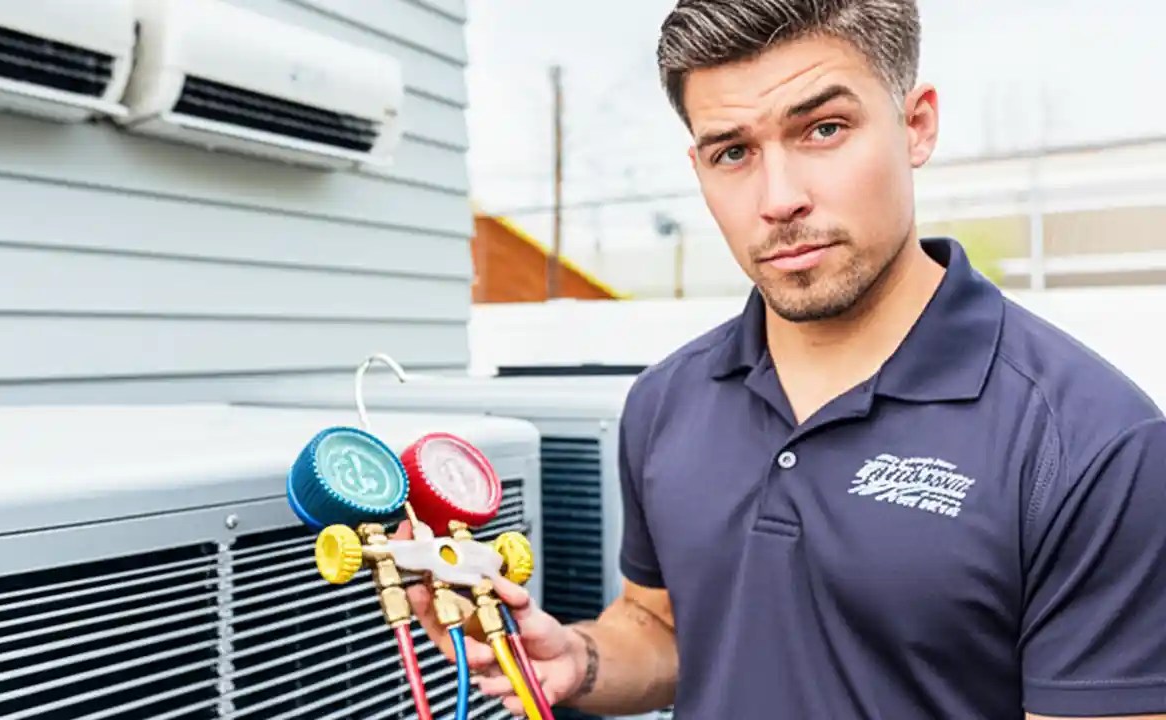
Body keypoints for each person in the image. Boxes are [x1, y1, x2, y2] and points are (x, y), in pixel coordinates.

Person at [403, 0, 1166, 717]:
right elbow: (662, 626)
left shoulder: (1093, 442)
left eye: (824, 129)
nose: (778, 198)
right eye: (733, 151)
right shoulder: (667, 400)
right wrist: (576, 658)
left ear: (917, 125)